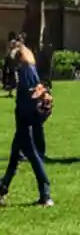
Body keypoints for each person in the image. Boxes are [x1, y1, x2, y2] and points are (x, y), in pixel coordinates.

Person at [0, 42, 52, 207]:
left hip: (25, 119)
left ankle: (45, 194)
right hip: (26, 118)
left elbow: (29, 96)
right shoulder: (29, 68)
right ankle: (3, 187)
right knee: (15, 156)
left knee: (33, 156)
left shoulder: (25, 71)